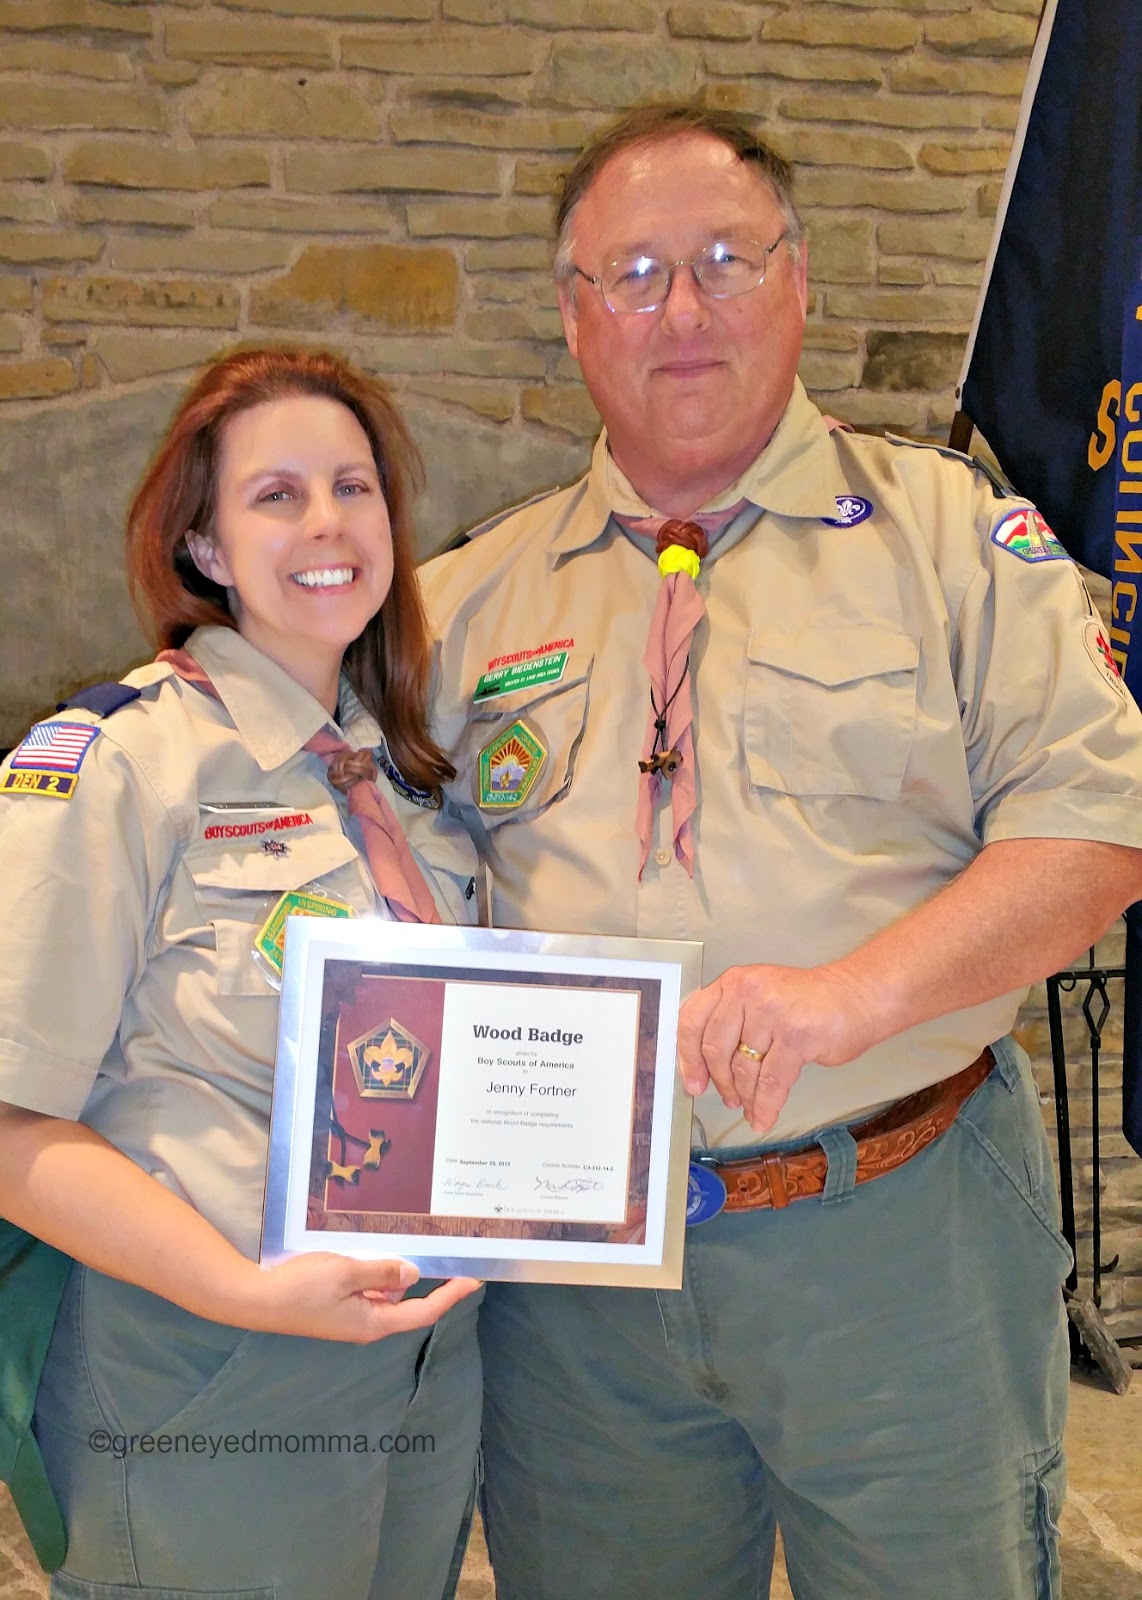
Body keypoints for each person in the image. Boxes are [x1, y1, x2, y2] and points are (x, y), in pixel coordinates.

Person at [418, 103, 1142, 1600]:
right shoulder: (462, 605)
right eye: (630, 274)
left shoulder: (951, 540)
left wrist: (847, 999)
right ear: (572, 318)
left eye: (725, 259)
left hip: (899, 1239)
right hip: (580, 1295)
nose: (679, 308)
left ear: (796, 280)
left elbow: (1093, 833)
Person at [0, 347, 484, 1600]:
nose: (327, 523)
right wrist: (241, 1290)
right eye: (275, 495)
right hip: (205, 1358)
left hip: (422, 1363)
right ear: (205, 546)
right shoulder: (117, 764)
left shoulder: (412, 787)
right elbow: (7, 1123)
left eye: (354, 487)